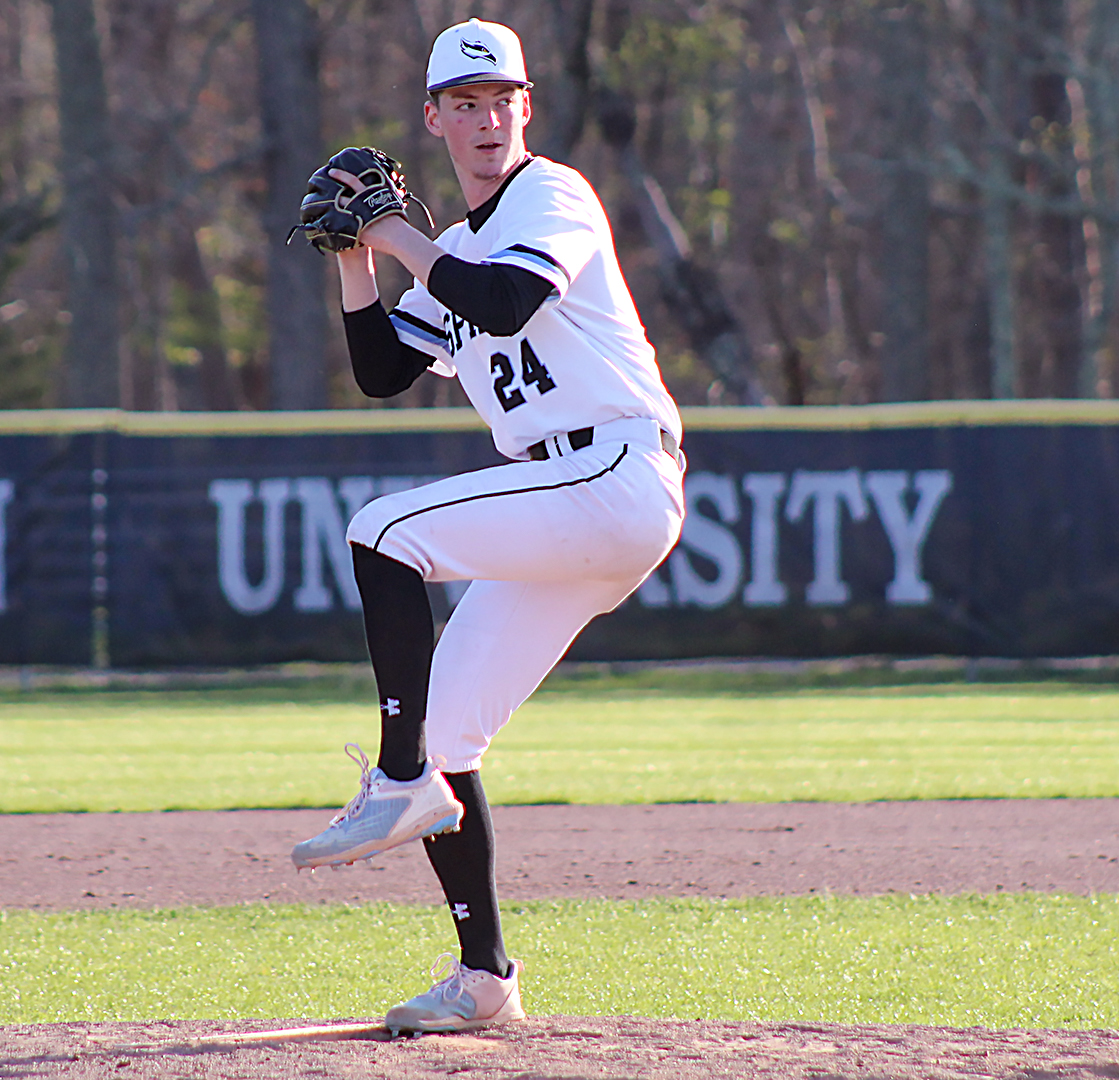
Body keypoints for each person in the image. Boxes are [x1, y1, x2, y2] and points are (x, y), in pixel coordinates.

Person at [289, 17, 686, 1034]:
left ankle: (395, 777)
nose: (483, 118)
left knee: (384, 531)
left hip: (613, 466)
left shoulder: (552, 194)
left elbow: (504, 303)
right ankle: (485, 981)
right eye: (461, 103)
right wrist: (352, 257)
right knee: (451, 725)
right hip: (571, 502)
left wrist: (394, 236)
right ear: (433, 117)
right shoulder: (447, 246)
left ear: (527, 106)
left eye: (498, 98)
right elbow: (383, 371)